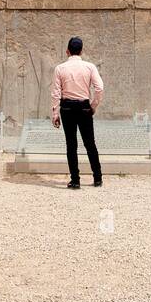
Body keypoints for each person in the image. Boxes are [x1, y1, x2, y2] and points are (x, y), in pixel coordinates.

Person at [50, 36, 104, 189]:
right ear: (81, 51)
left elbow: (55, 93)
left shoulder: (60, 68)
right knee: (90, 143)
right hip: (84, 106)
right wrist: (93, 105)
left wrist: (55, 113)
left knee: (71, 145)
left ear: (67, 51)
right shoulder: (89, 67)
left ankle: (75, 180)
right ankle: (98, 177)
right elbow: (99, 88)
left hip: (67, 107)